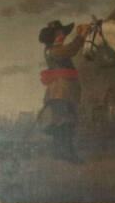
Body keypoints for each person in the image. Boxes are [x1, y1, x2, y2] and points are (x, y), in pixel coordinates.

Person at [38, 20, 90, 162]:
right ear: (51, 38)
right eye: (58, 35)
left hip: (64, 90)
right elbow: (71, 50)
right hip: (60, 91)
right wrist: (82, 35)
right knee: (66, 122)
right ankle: (68, 154)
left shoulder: (55, 49)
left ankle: (59, 153)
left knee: (62, 121)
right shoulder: (53, 50)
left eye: (62, 34)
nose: (61, 37)